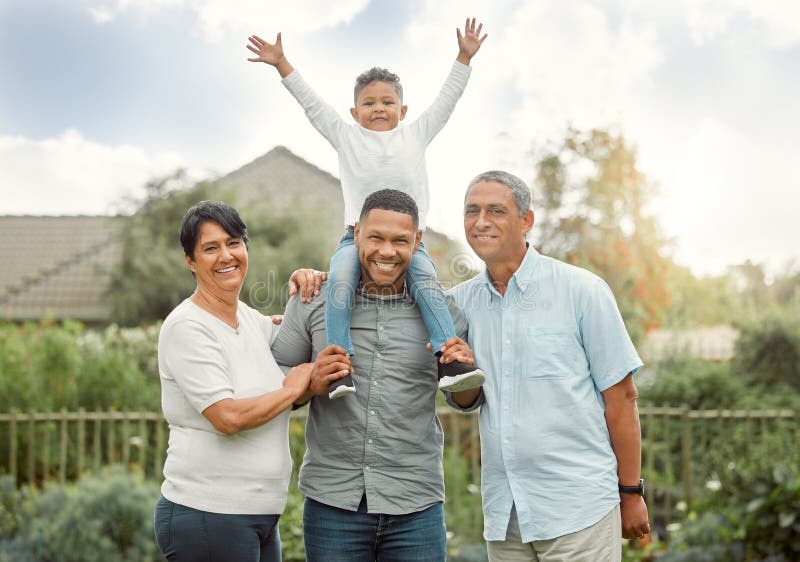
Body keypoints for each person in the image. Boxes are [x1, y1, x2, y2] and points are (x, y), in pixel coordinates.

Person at [247, 18, 488, 399]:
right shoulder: (346, 135)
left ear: (403, 109)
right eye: (370, 103)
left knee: (426, 285)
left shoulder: (416, 134)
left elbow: (446, 101)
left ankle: (450, 360)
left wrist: (463, 57)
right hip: (354, 240)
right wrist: (282, 64)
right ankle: (341, 363)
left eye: (388, 102)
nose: (379, 108)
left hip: (411, 243)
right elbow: (312, 105)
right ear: (355, 111)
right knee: (341, 282)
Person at [445, 171, 651, 561]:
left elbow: (622, 398)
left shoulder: (582, 291)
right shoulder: (458, 303)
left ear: (526, 221)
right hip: (505, 514)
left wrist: (631, 493)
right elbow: (469, 399)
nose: (481, 221)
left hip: (579, 508)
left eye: (496, 211)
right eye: (471, 210)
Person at [270, 189, 481, 562]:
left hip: (416, 505)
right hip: (333, 504)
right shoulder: (312, 301)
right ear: (356, 236)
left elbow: (463, 401)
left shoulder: (445, 315)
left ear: (417, 242)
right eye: (376, 238)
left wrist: (466, 369)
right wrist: (311, 384)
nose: (387, 251)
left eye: (400, 240)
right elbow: (275, 379)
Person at [154, 200, 335, 562]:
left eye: (233, 243)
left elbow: (295, 343)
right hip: (209, 513)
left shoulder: (252, 322)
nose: (226, 256)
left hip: (259, 514)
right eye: (210, 248)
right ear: (190, 260)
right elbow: (228, 418)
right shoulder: (188, 327)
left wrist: (309, 281)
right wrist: (292, 389)